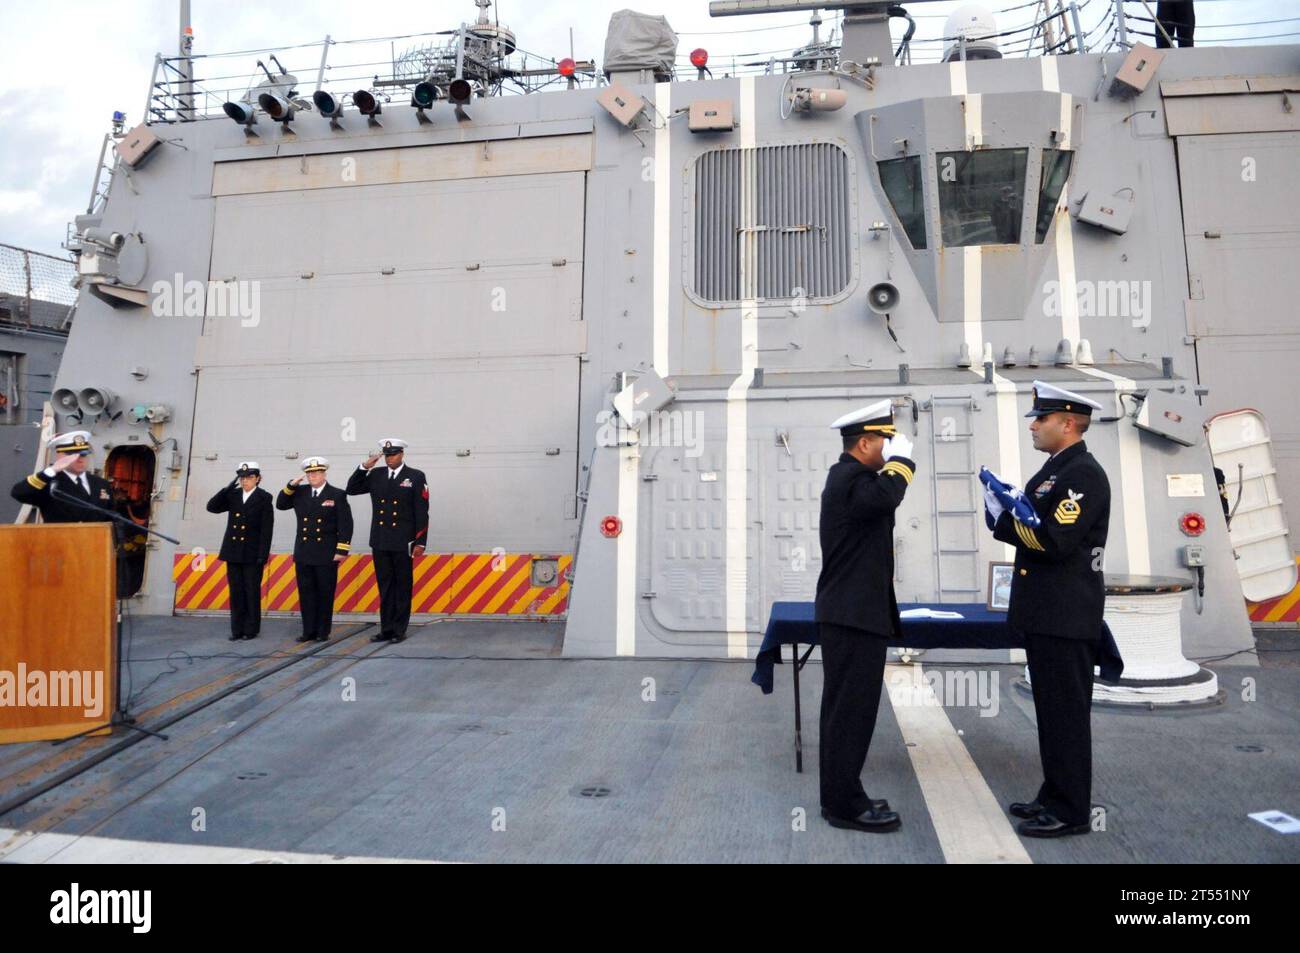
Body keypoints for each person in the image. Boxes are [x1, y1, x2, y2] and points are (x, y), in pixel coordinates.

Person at [983, 381, 1110, 838]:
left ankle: (1072, 811)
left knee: (1067, 718)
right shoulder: (1055, 471)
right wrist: (1007, 505)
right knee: (1052, 714)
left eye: (1041, 419)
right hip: (1047, 615)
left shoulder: (1083, 476)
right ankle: (1053, 795)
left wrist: (1002, 521)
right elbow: (1035, 520)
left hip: (1065, 616)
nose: (1034, 426)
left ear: (1068, 423)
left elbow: (1053, 540)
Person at [814, 399, 916, 834]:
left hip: (855, 614)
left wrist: (893, 465)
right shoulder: (851, 479)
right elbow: (883, 498)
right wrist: (904, 463)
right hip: (852, 616)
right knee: (849, 714)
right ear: (865, 443)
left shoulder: (852, 478)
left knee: (848, 713)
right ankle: (843, 806)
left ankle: (845, 794)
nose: (890, 447)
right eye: (885, 440)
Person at [346, 438, 428, 644]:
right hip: (381, 539)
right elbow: (351, 488)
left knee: (402, 586)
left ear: (402, 455)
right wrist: (364, 467)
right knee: (385, 586)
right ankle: (387, 628)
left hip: (403, 541)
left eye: (393, 455)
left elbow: (421, 510)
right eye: (387, 455)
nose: (389, 459)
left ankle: (399, 630)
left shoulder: (415, 476)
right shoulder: (376, 475)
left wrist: (420, 541)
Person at [277, 456, 353, 643]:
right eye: (309, 473)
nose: (313, 476)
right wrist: (290, 486)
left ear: (324, 474)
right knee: (306, 594)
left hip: (326, 552)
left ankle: (322, 632)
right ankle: (308, 631)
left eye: (316, 473)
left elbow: (346, 524)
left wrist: (341, 550)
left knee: (324, 593)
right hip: (304, 552)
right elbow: (281, 504)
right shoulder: (300, 492)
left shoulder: (336, 494)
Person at [206, 462, 275, 642]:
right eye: (242, 478)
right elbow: (212, 507)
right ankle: (237, 630)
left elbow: (267, 529)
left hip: (252, 554)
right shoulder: (233, 495)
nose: (245, 481)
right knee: (236, 592)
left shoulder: (264, 497)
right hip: (233, 551)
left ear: (257, 478)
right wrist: (226, 489)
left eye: (249, 477)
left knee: (251, 591)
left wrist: (263, 554)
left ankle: (251, 629)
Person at [11, 430, 116, 523]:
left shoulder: (101, 484)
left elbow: (112, 517)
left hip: (98, 542)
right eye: (73, 455)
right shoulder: (50, 483)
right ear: (59, 456)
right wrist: (50, 471)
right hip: (61, 542)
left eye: (83, 454)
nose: (80, 459)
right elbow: (19, 493)